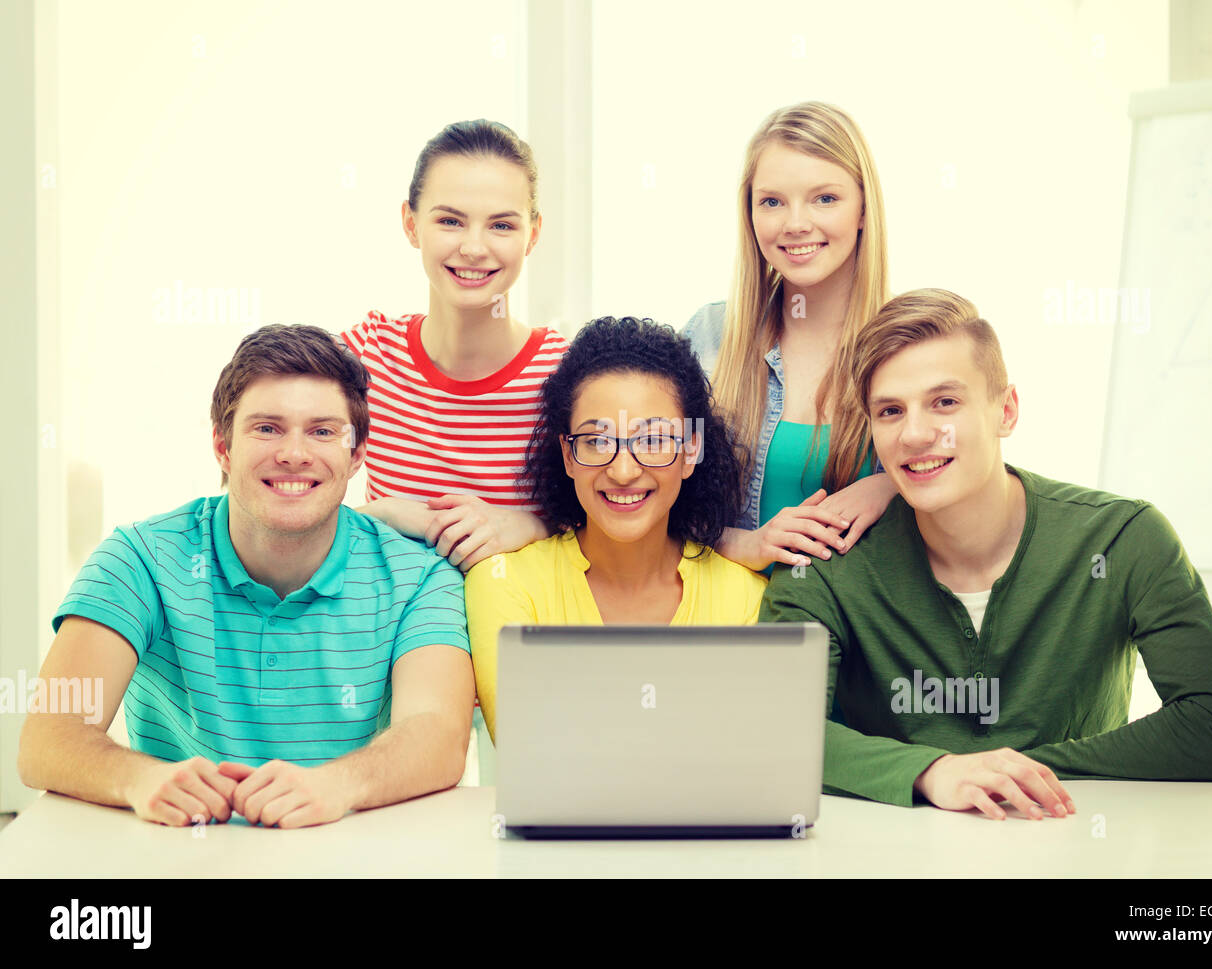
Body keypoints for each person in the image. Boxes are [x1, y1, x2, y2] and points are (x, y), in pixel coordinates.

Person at [760, 289, 1212, 818]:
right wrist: (931, 772)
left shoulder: (1123, 538)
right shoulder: (822, 566)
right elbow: (772, 734)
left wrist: (1010, 772)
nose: (915, 433)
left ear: (1006, 410)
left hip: (1072, 844)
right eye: (890, 411)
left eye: (945, 402)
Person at [18, 325, 475, 828]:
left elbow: (438, 734)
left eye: (323, 431)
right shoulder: (138, 558)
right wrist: (138, 779)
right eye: (267, 428)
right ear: (223, 447)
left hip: (348, 852)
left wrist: (334, 786)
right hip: (182, 854)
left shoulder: (420, 578)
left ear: (357, 453)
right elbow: (48, 737)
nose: (294, 454)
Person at [465, 317, 768, 742]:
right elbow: (531, 746)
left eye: (653, 440)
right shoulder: (505, 584)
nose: (623, 471)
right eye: (596, 441)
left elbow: (745, 754)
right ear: (568, 456)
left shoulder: (747, 597)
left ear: (690, 451)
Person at [683, 101, 899, 574]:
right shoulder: (709, 334)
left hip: (864, 636)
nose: (795, 223)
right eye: (772, 201)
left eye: (825, 198)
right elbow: (653, 502)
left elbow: (973, 476)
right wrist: (745, 544)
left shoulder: (910, 342)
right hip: (737, 626)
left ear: (863, 209)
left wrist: (891, 486)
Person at [343, 119, 568, 573]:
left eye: (501, 225)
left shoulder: (568, 374)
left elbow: (623, 529)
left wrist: (532, 526)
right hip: (386, 635)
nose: (472, 247)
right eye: (449, 221)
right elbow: (275, 501)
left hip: (517, 634)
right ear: (410, 224)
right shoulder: (365, 353)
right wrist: (380, 516)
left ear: (534, 234)